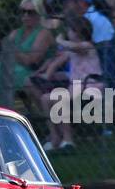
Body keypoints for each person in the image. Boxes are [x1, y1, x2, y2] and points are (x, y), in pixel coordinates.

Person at [29, 14, 103, 153]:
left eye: (70, 30)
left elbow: (73, 47)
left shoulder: (87, 46)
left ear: (78, 31)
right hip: (75, 88)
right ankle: (55, 137)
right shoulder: (72, 49)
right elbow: (57, 60)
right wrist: (47, 74)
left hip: (90, 88)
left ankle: (68, 140)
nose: (68, 33)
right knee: (45, 98)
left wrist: (60, 40)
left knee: (60, 98)